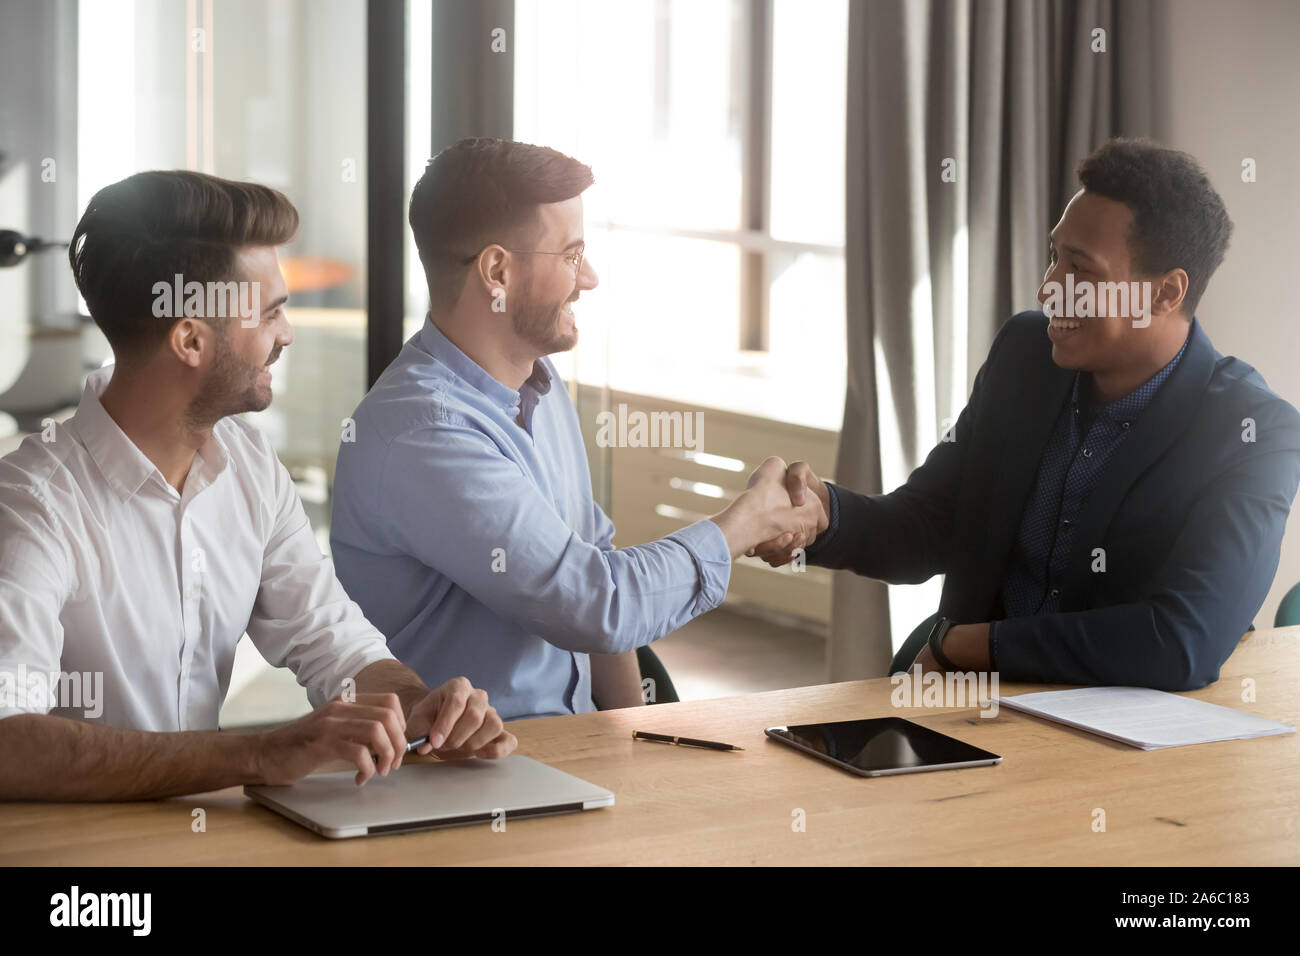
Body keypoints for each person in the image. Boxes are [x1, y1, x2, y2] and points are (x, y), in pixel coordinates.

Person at [0, 171, 515, 801]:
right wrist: (263, 752)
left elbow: (333, 644)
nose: (287, 333)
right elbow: (8, 742)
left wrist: (418, 705)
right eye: (271, 311)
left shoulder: (247, 466)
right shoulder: (32, 503)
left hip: (208, 833)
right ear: (189, 338)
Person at [759, 138, 1300, 691]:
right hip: (977, 712)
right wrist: (824, 517)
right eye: (1054, 257)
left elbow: (1183, 641)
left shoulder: (1256, 433)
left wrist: (965, 645)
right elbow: (930, 525)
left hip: (1133, 745)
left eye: (1080, 272)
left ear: (1165, 292)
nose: (1048, 290)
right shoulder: (1025, 354)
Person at [330, 138, 824, 720]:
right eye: (571, 254)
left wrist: (632, 741)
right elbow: (595, 604)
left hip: (565, 750)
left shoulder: (539, 385)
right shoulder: (423, 433)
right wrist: (740, 527)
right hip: (458, 774)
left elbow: (596, 572)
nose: (587, 277)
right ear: (497, 271)